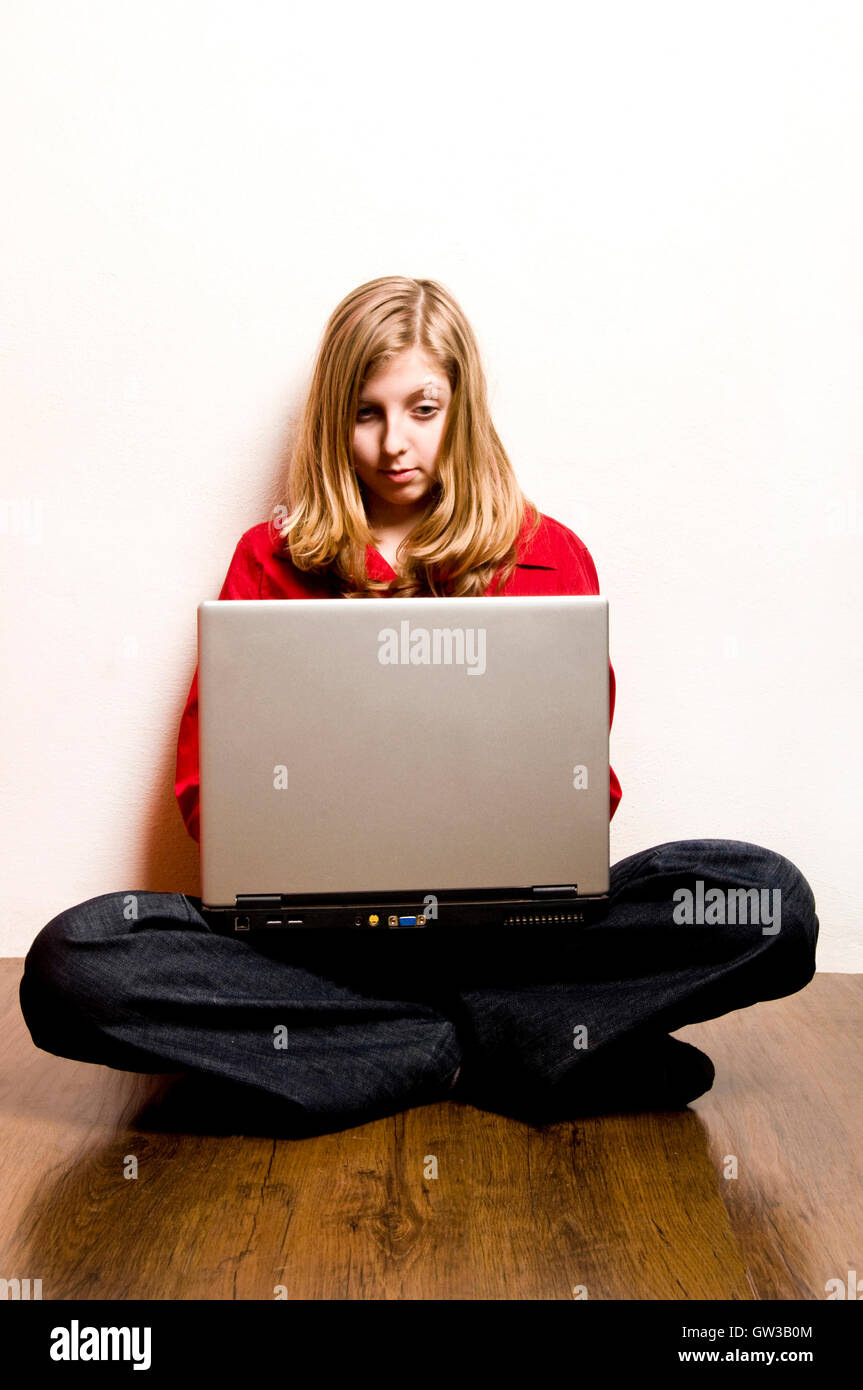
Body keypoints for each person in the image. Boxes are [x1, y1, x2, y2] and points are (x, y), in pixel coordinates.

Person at [19, 276, 819, 1136]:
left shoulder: (550, 558)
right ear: (335, 420)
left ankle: (361, 1059)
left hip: (515, 946)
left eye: (422, 409)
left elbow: (585, 791)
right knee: (77, 962)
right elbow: (207, 795)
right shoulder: (267, 561)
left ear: (463, 408)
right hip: (313, 955)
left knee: (764, 901)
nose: (394, 444)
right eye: (367, 413)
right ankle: (490, 1049)